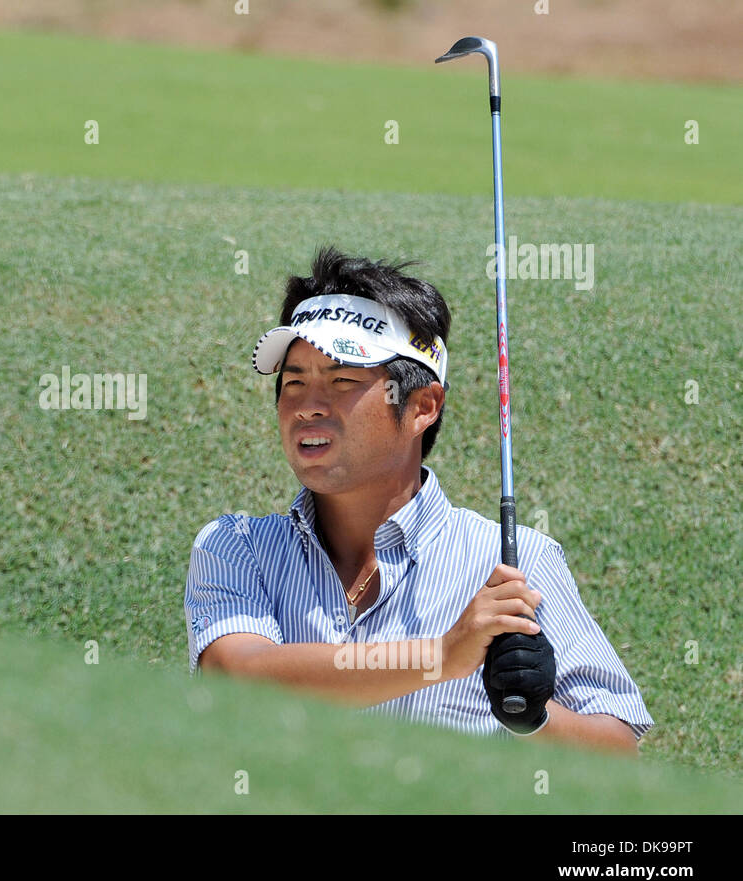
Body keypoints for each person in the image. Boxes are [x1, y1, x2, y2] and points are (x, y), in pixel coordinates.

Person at [184, 246, 653, 754]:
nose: (306, 407)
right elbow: (238, 673)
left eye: (342, 380)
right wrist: (444, 656)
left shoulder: (516, 562)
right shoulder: (235, 546)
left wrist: (534, 717)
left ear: (421, 407)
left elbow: (618, 748)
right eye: (294, 382)